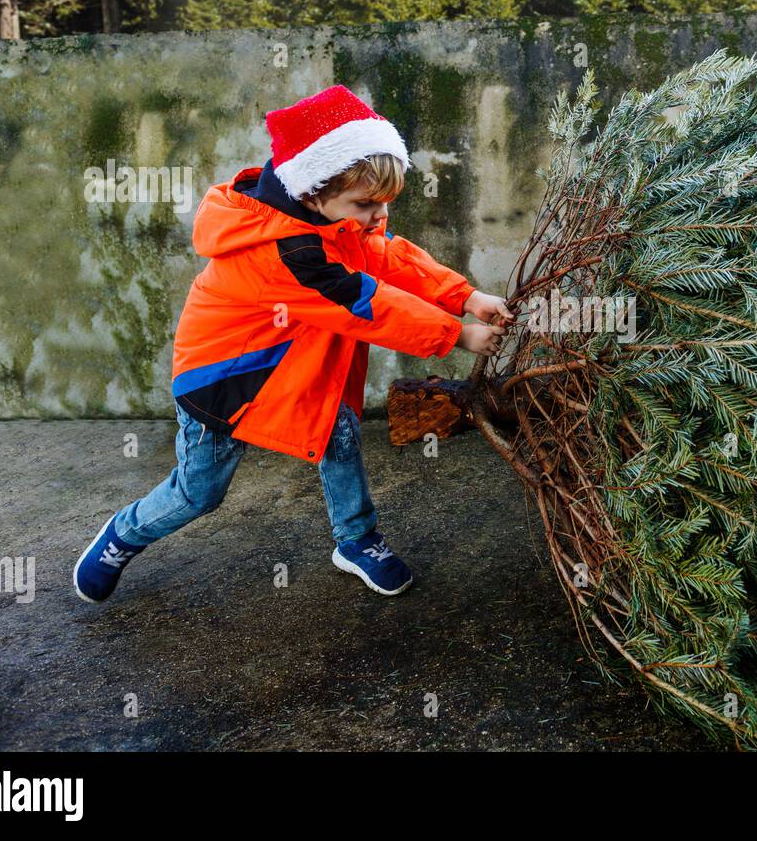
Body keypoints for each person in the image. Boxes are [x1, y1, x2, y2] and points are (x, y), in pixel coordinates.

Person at [74, 85, 512, 603]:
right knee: (200, 492)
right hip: (228, 383)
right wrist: (456, 333)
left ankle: (356, 539)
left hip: (299, 365)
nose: (376, 216)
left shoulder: (331, 216)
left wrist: (465, 297)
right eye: (366, 204)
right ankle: (122, 535)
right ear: (312, 189)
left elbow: (386, 256)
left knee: (340, 437)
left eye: (383, 203)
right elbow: (360, 299)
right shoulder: (282, 250)